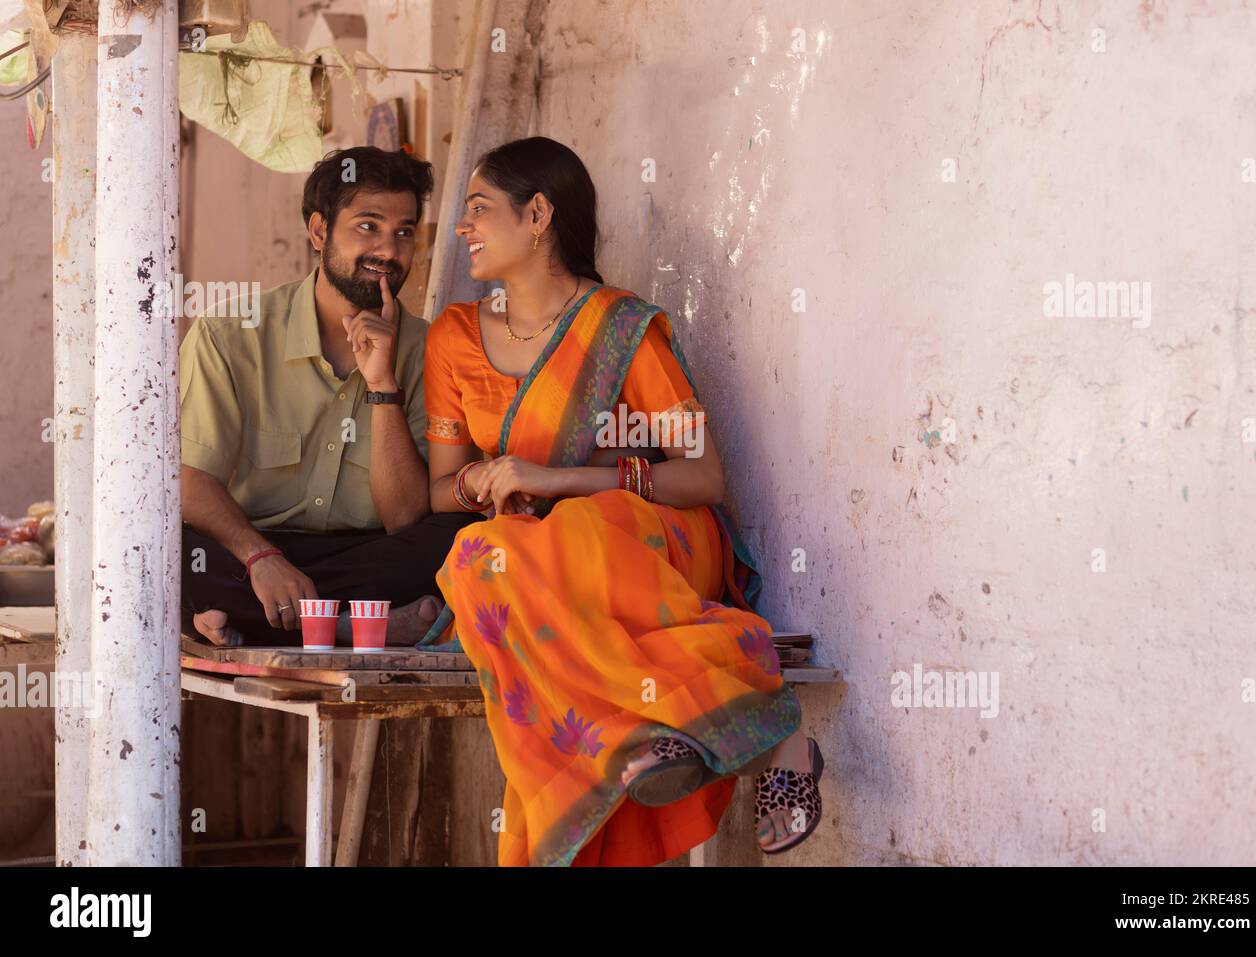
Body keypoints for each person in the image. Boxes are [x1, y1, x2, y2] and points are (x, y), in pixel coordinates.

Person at [420, 136, 827, 865]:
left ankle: (775, 728)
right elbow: (441, 488)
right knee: (479, 552)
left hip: (650, 541)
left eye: (479, 210)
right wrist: (479, 483)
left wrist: (555, 480)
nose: (463, 228)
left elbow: (702, 477)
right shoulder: (453, 337)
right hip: (540, 562)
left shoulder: (621, 330)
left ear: (538, 213)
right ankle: (652, 735)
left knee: (573, 526)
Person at [179, 146, 481, 647]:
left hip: (369, 556)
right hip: (254, 549)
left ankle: (259, 623)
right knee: (160, 547)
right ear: (319, 231)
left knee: (456, 539)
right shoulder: (231, 335)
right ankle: (359, 625)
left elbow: (406, 518)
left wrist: (383, 387)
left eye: (404, 232)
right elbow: (191, 481)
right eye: (368, 226)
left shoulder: (432, 348)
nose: (388, 250)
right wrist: (261, 559)